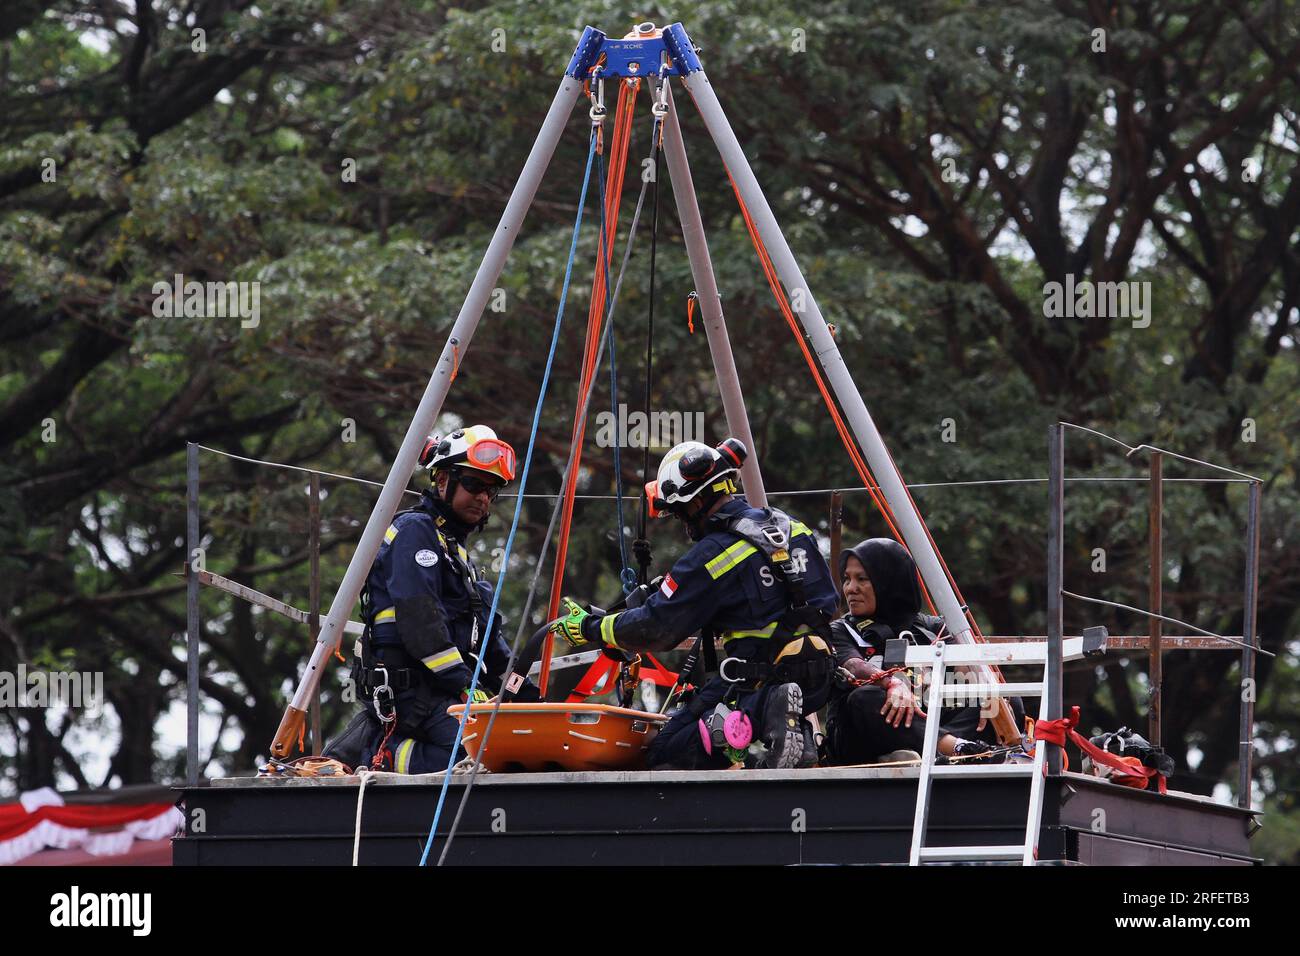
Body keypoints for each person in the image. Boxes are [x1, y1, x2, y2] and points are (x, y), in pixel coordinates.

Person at [548, 438, 838, 770]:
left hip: (756, 681)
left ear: (696, 503)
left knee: (667, 751)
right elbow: (827, 602)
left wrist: (591, 628)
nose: (682, 524)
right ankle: (793, 734)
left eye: (678, 511)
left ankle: (764, 710)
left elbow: (656, 628)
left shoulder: (711, 556)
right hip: (818, 679)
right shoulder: (792, 528)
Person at [324, 424, 540, 774]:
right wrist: (467, 687)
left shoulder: (460, 559)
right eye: (474, 484)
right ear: (442, 480)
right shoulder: (414, 532)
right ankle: (379, 751)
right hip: (413, 697)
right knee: (483, 753)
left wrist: (529, 696)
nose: (484, 497)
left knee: (525, 745)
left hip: (446, 694)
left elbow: (491, 646)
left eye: (492, 490)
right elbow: (420, 624)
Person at [823, 538, 1012, 765]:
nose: (850, 588)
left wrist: (985, 690)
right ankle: (957, 748)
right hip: (864, 733)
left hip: (921, 722)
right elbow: (852, 665)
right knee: (864, 699)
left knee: (1000, 699)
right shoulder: (840, 630)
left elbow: (967, 673)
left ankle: (929, 751)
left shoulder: (932, 628)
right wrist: (891, 682)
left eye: (861, 579)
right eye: (847, 579)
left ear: (890, 582)